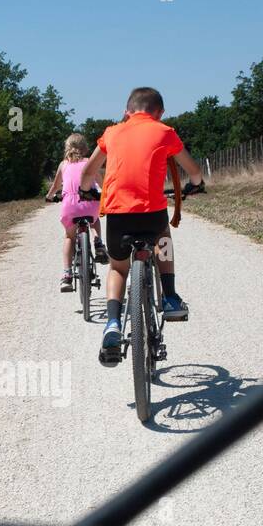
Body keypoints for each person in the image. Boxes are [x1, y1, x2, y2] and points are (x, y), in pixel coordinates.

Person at [78, 87, 204, 362]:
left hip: (118, 216)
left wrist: (87, 191)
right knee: (163, 239)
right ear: (159, 113)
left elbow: (88, 173)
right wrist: (196, 185)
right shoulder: (164, 131)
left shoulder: (111, 133)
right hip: (151, 214)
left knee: (118, 268)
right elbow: (193, 170)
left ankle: (112, 323)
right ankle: (169, 297)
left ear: (127, 111)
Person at [45, 133, 109, 291]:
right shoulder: (89, 163)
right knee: (94, 220)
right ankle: (98, 243)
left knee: (69, 237)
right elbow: (103, 184)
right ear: (85, 148)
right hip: (89, 204)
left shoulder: (63, 165)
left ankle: (67, 275)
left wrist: (49, 196)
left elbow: (55, 186)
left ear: (67, 148)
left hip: (70, 206)